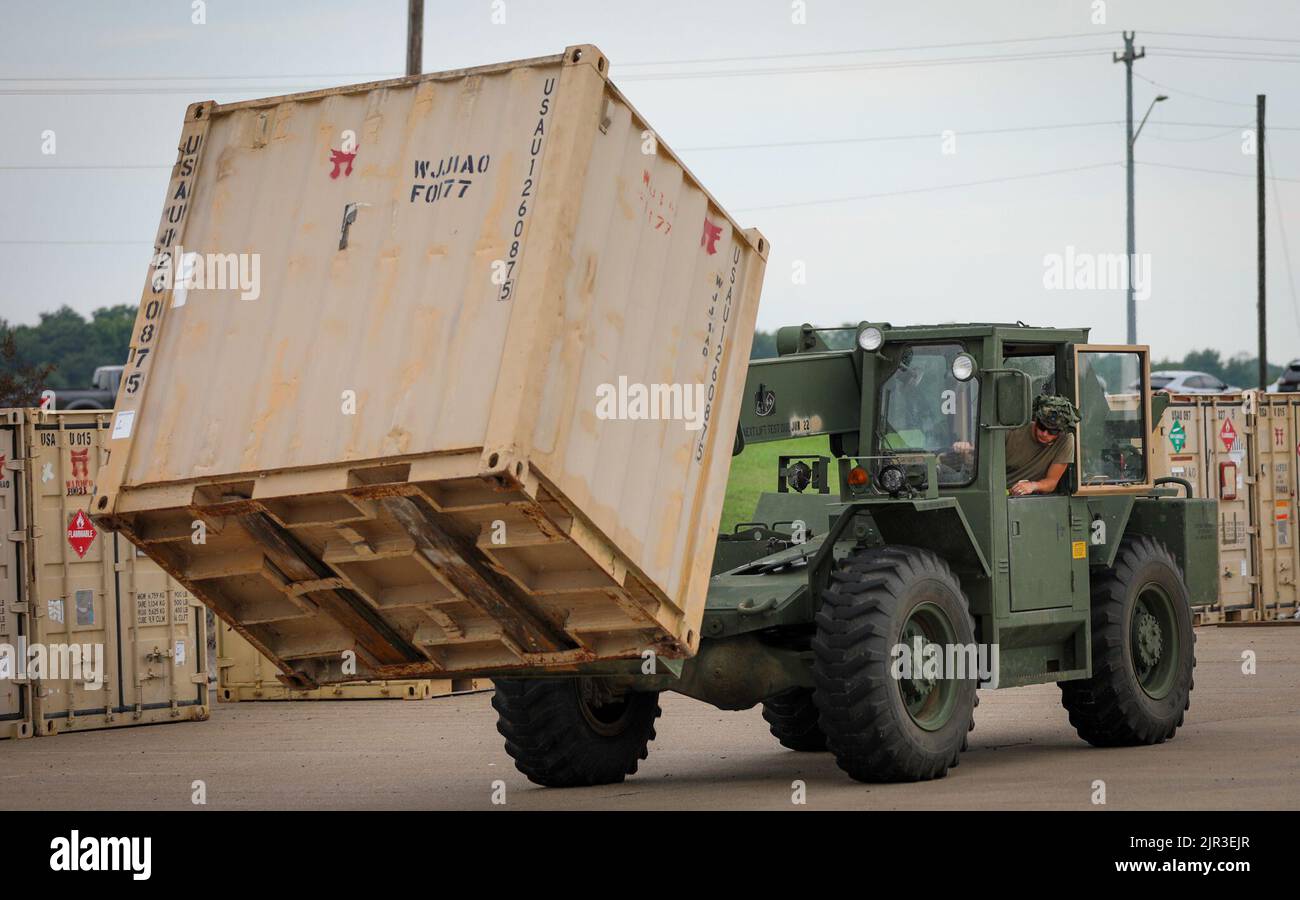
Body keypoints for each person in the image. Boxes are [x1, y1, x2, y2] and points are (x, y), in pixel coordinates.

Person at [951, 394, 1079, 496]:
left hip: (1020, 500)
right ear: (1036, 420)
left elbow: (1051, 482)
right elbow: (985, 456)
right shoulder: (1014, 429)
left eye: (1053, 431)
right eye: (1041, 426)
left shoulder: (1065, 440)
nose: (1045, 434)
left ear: (1061, 431)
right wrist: (967, 449)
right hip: (989, 491)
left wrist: (1032, 486)